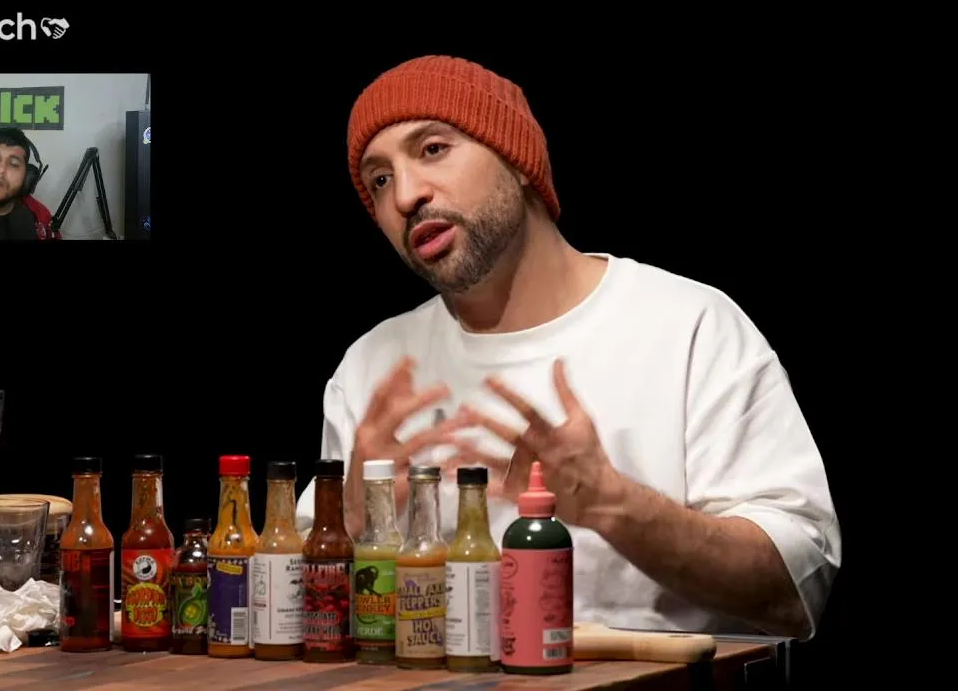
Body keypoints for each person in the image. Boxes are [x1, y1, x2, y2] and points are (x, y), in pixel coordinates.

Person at [294, 55, 842, 640]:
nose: (405, 195)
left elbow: (794, 590)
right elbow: (293, 622)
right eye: (379, 179)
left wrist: (615, 506)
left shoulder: (688, 326)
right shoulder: (373, 367)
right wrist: (351, 521)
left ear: (518, 160)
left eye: (433, 149)